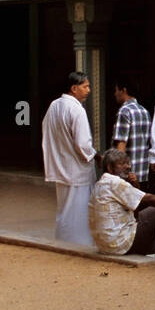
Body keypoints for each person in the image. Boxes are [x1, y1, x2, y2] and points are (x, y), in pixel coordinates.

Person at [40, 71, 97, 246]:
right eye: (85, 86)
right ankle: (79, 244)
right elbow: (83, 144)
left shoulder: (54, 106)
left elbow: (46, 132)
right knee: (79, 211)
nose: (89, 90)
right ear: (74, 88)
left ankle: (63, 241)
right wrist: (95, 155)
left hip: (61, 166)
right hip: (78, 170)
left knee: (65, 209)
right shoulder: (76, 110)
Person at [89, 148, 155, 256]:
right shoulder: (115, 182)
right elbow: (149, 199)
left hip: (104, 246)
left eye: (127, 163)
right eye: (121, 164)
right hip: (118, 244)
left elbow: (137, 206)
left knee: (148, 215)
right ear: (110, 167)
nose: (128, 166)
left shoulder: (100, 184)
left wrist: (135, 183)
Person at [111, 77, 151, 185]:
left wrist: (119, 174)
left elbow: (121, 145)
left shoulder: (124, 111)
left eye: (116, 90)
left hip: (129, 175)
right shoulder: (144, 111)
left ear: (123, 90)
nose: (115, 94)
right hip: (143, 173)